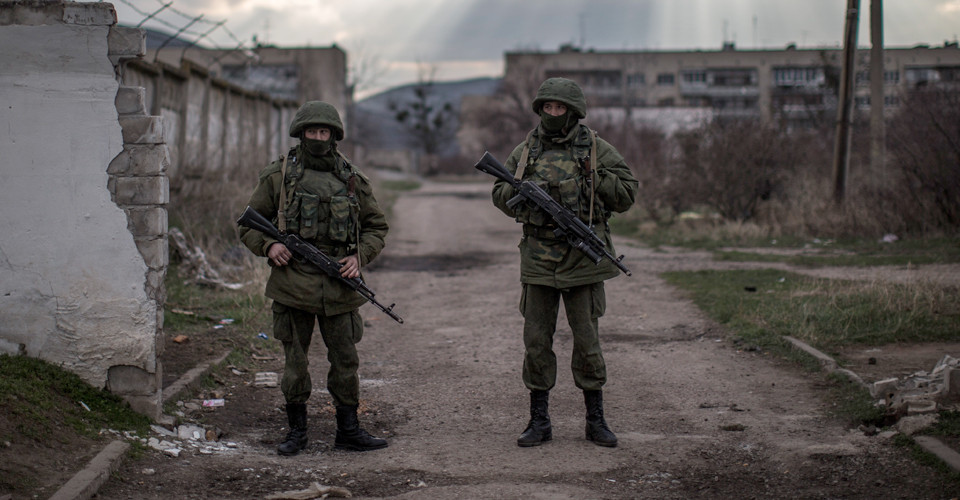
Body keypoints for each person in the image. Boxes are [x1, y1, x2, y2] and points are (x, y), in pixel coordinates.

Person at [491, 77, 639, 448]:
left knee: (588, 343)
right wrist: (520, 190)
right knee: (536, 343)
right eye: (548, 108)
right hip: (539, 261)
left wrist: (595, 177)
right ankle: (539, 421)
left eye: (560, 109)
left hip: (583, 260)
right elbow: (498, 194)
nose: (553, 114)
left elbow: (627, 195)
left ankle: (596, 420)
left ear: (573, 112)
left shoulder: (595, 149)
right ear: (540, 110)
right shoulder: (526, 151)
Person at [239, 101, 390, 456]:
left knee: (345, 362)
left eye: (324, 132)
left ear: (334, 136)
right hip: (292, 285)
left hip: (339, 285)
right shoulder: (279, 175)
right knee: (295, 364)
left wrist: (359, 256)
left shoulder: (352, 179)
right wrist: (269, 245)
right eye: (312, 132)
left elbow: (376, 227)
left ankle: (348, 430)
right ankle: (296, 432)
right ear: (301, 133)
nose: (318, 138)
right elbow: (248, 223)